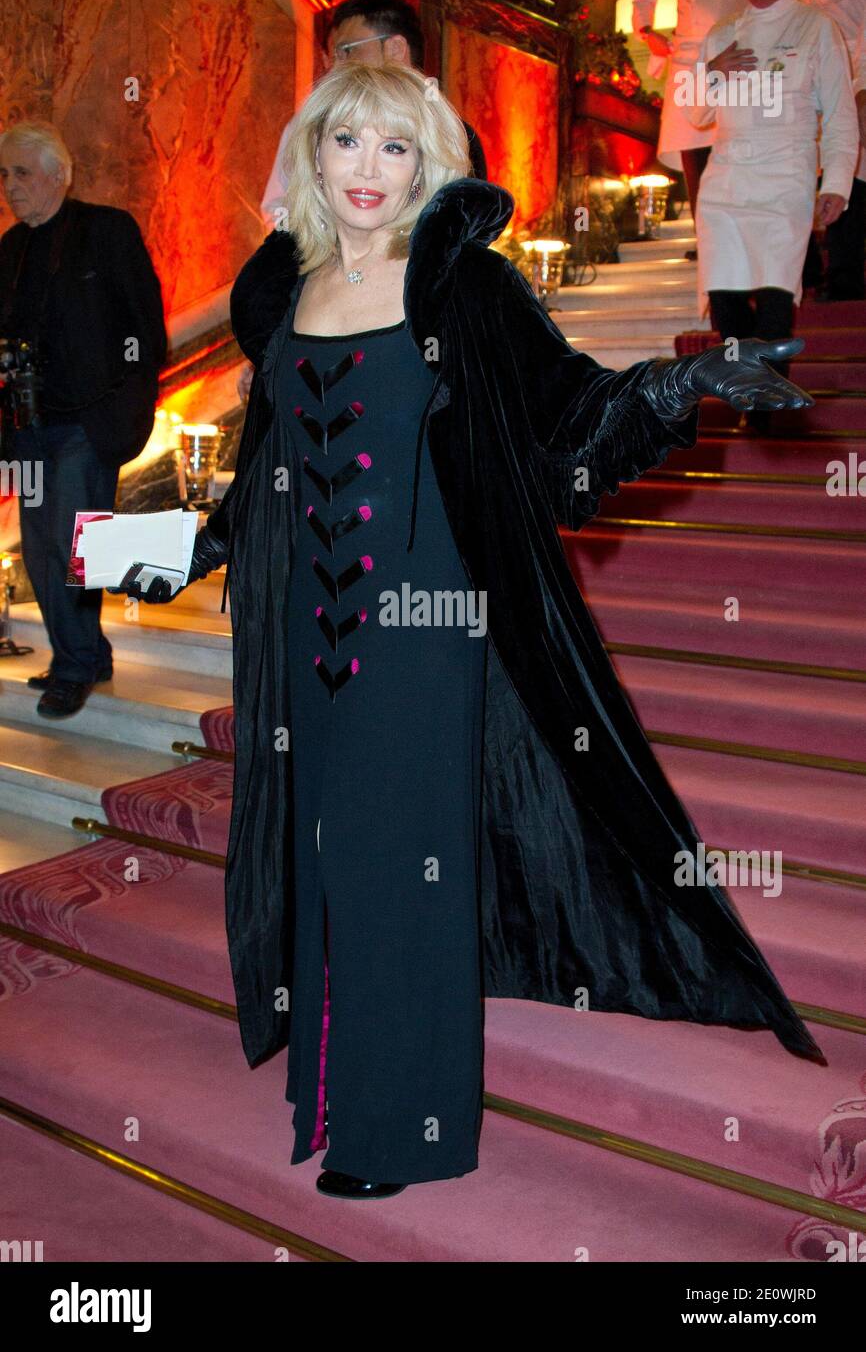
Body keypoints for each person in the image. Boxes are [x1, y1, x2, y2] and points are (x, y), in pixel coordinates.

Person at [118, 62, 824, 1200]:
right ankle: (339, 1084)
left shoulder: (463, 289)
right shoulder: (285, 291)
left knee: (399, 859)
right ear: (312, 154)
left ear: (427, 166)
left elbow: (566, 408)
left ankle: (398, 1128)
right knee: (331, 855)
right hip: (304, 631)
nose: (367, 168)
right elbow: (264, 478)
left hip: (419, 625)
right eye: (347, 140)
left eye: (395, 147)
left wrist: (682, 382)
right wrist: (171, 554)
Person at [0, 122, 166, 717]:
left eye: (21, 172)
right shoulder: (10, 249)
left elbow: (145, 326)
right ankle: (89, 654)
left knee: (74, 544)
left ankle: (73, 667)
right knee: (40, 550)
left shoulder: (106, 231)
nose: (10, 185)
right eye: (3, 175)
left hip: (86, 425)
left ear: (58, 175)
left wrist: (124, 406)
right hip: (25, 427)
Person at [688, 0, 859, 432]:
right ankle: (749, 390)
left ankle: (764, 408)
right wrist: (712, 71)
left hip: (786, 177)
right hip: (725, 180)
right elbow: (695, 114)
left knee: (774, 297)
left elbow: (841, 115)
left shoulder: (815, 27)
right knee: (724, 297)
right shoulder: (723, 33)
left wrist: (836, 183)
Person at [260, 0, 487, 234]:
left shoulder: (454, 137)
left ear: (395, 48)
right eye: (346, 142)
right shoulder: (314, 122)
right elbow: (279, 208)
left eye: (346, 50)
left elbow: (466, 228)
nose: (334, 65)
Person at [633, 0, 745, 243]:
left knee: (738, 156)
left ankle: (735, 243)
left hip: (738, 55)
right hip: (689, 59)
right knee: (695, 157)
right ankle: (705, 243)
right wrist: (646, 31)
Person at [799, 0, 866, 299]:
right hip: (821, 69)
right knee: (821, 165)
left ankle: (845, 274)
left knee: (850, 169)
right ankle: (813, 269)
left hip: (856, 68)